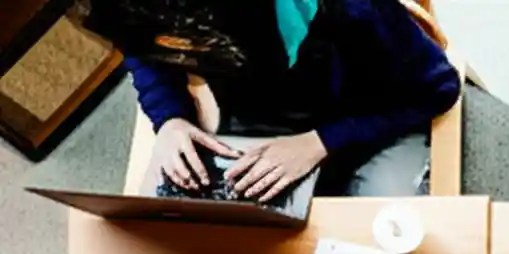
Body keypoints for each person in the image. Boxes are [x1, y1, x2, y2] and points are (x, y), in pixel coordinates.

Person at [88, 0, 461, 200]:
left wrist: (320, 142)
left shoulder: (354, 10)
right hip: (274, 108)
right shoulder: (148, 19)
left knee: (379, 239)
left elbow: (438, 88)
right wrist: (170, 119)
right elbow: (143, 50)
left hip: (369, 113)